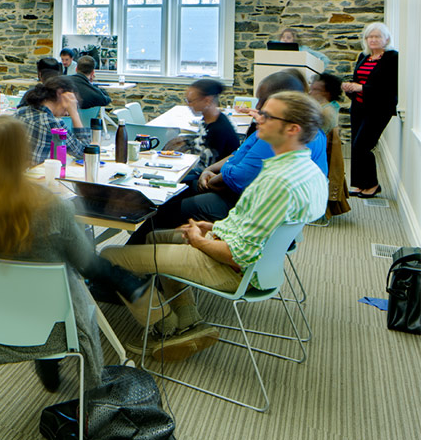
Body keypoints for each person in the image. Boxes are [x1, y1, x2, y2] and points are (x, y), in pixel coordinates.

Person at [106, 91, 328, 362]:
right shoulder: (305, 169)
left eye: (266, 116)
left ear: (292, 129)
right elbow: (259, 227)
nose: (256, 117)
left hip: (235, 269)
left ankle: (164, 326)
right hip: (254, 258)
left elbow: (238, 255)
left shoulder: (276, 181)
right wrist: (212, 227)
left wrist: (201, 241)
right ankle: (188, 320)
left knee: (108, 257)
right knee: (153, 237)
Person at [0, 117, 108, 393]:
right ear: (23, 155)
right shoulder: (51, 208)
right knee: (73, 286)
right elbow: (86, 262)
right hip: (48, 331)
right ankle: (50, 363)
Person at [130, 69, 325, 240]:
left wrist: (211, 178)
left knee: (166, 207)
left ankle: (130, 264)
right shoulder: (305, 135)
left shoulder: (275, 144)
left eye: (264, 108)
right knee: (179, 190)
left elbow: (239, 178)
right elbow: (238, 154)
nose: (256, 111)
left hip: (238, 204)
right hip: (246, 205)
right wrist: (211, 170)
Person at [342, 22, 398, 197]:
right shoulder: (364, 56)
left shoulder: (392, 57)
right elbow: (358, 78)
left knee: (363, 145)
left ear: (386, 39)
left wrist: (361, 88)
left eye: (377, 36)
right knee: (355, 145)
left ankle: (373, 184)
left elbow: (388, 87)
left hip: (379, 109)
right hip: (359, 106)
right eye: (370, 37)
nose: (373, 40)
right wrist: (350, 86)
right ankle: (359, 184)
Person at [15, 77, 91, 164]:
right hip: (37, 175)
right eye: (71, 101)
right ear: (60, 93)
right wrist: (74, 113)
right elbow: (85, 153)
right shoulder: (53, 123)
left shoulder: (20, 112)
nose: (67, 113)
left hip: (16, 172)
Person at [169, 78, 241, 167]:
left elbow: (206, 166)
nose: (188, 105)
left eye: (191, 101)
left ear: (207, 101)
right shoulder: (208, 119)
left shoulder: (218, 129)